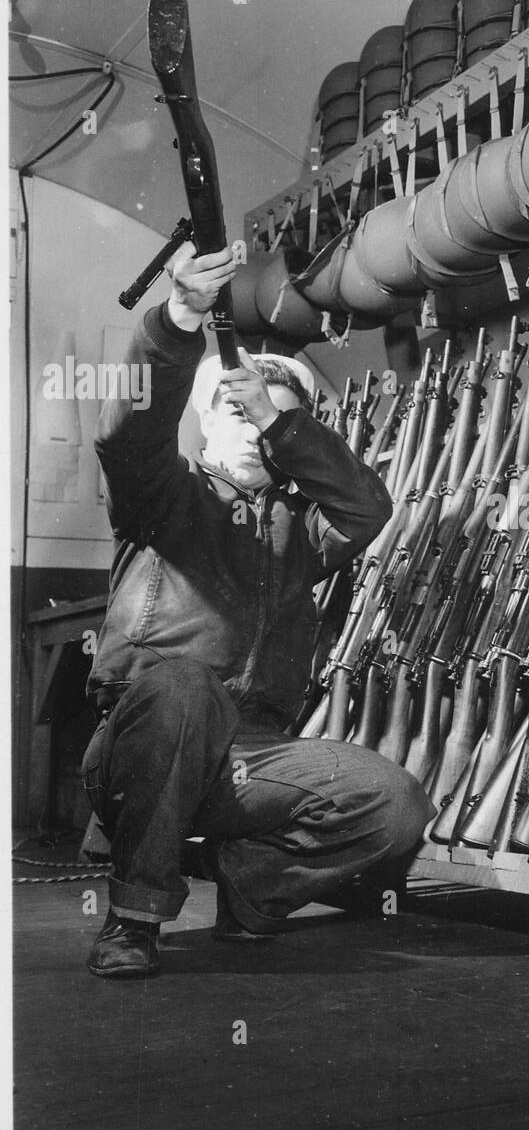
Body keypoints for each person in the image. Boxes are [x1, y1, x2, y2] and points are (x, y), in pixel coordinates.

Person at [82, 246, 430, 979]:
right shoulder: (164, 499)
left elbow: (368, 508)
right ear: (206, 424)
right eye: (236, 413)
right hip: (140, 742)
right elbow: (128, 436)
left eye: (267, 422)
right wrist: (176, 320)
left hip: (250, 756)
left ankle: (252, 887)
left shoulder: (301, 532)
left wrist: (281, 420)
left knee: (391, 802)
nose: (251, 428)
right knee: (181, 685)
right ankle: (133, 917)